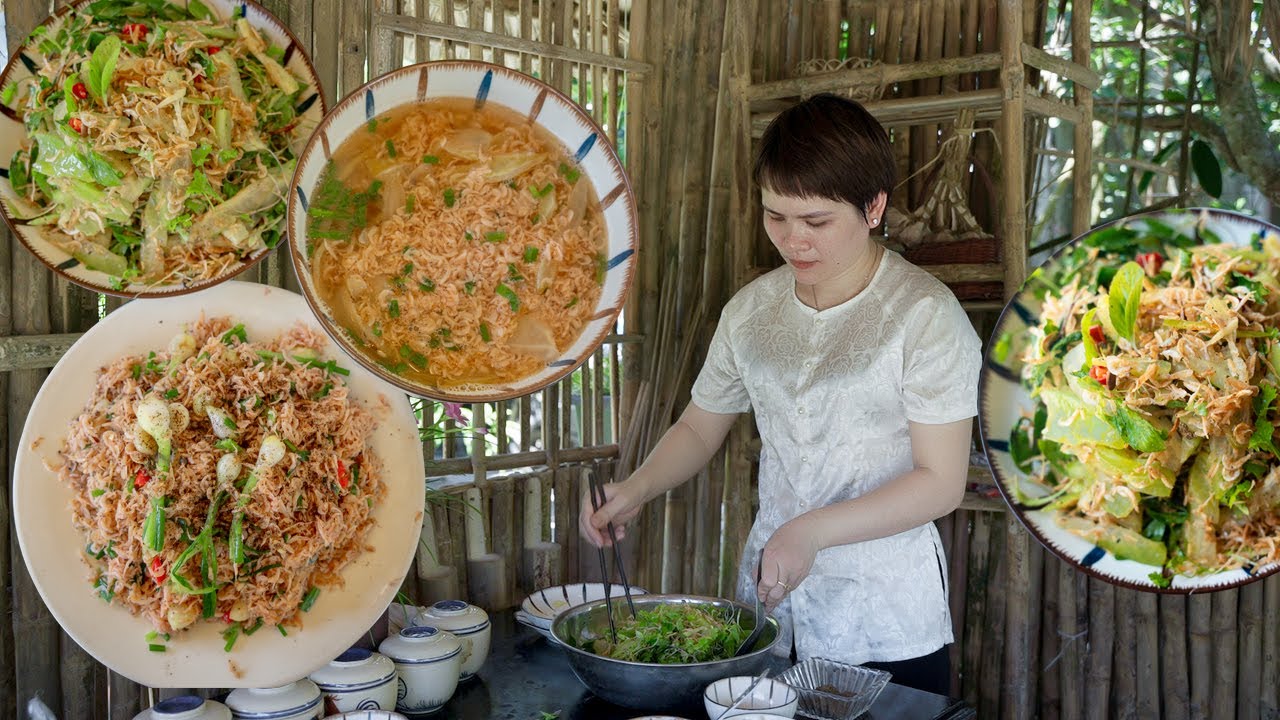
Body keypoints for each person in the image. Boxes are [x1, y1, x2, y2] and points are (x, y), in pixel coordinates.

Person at [578, 93, 982, 696]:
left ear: (873, 207)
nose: (794, 240)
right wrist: (636, 488)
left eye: (816, 221)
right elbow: (698, 427)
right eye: (776, 217)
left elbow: (941, 482)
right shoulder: (752, 312)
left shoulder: (924, 315)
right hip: (775, 599)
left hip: (886, 614)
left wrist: (813, 530)